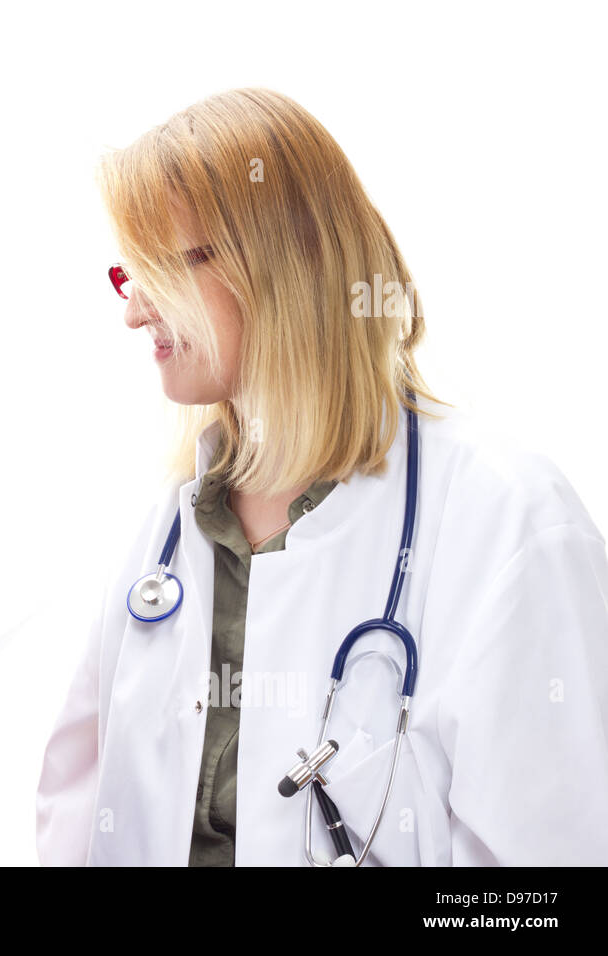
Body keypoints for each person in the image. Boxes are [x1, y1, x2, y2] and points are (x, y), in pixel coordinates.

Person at [35, 89, 608, 866]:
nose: (133, 313)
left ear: (279, 263)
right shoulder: (164, 541)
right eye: (126, 275)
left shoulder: (507, 518)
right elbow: (77, 822)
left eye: (159, 272)